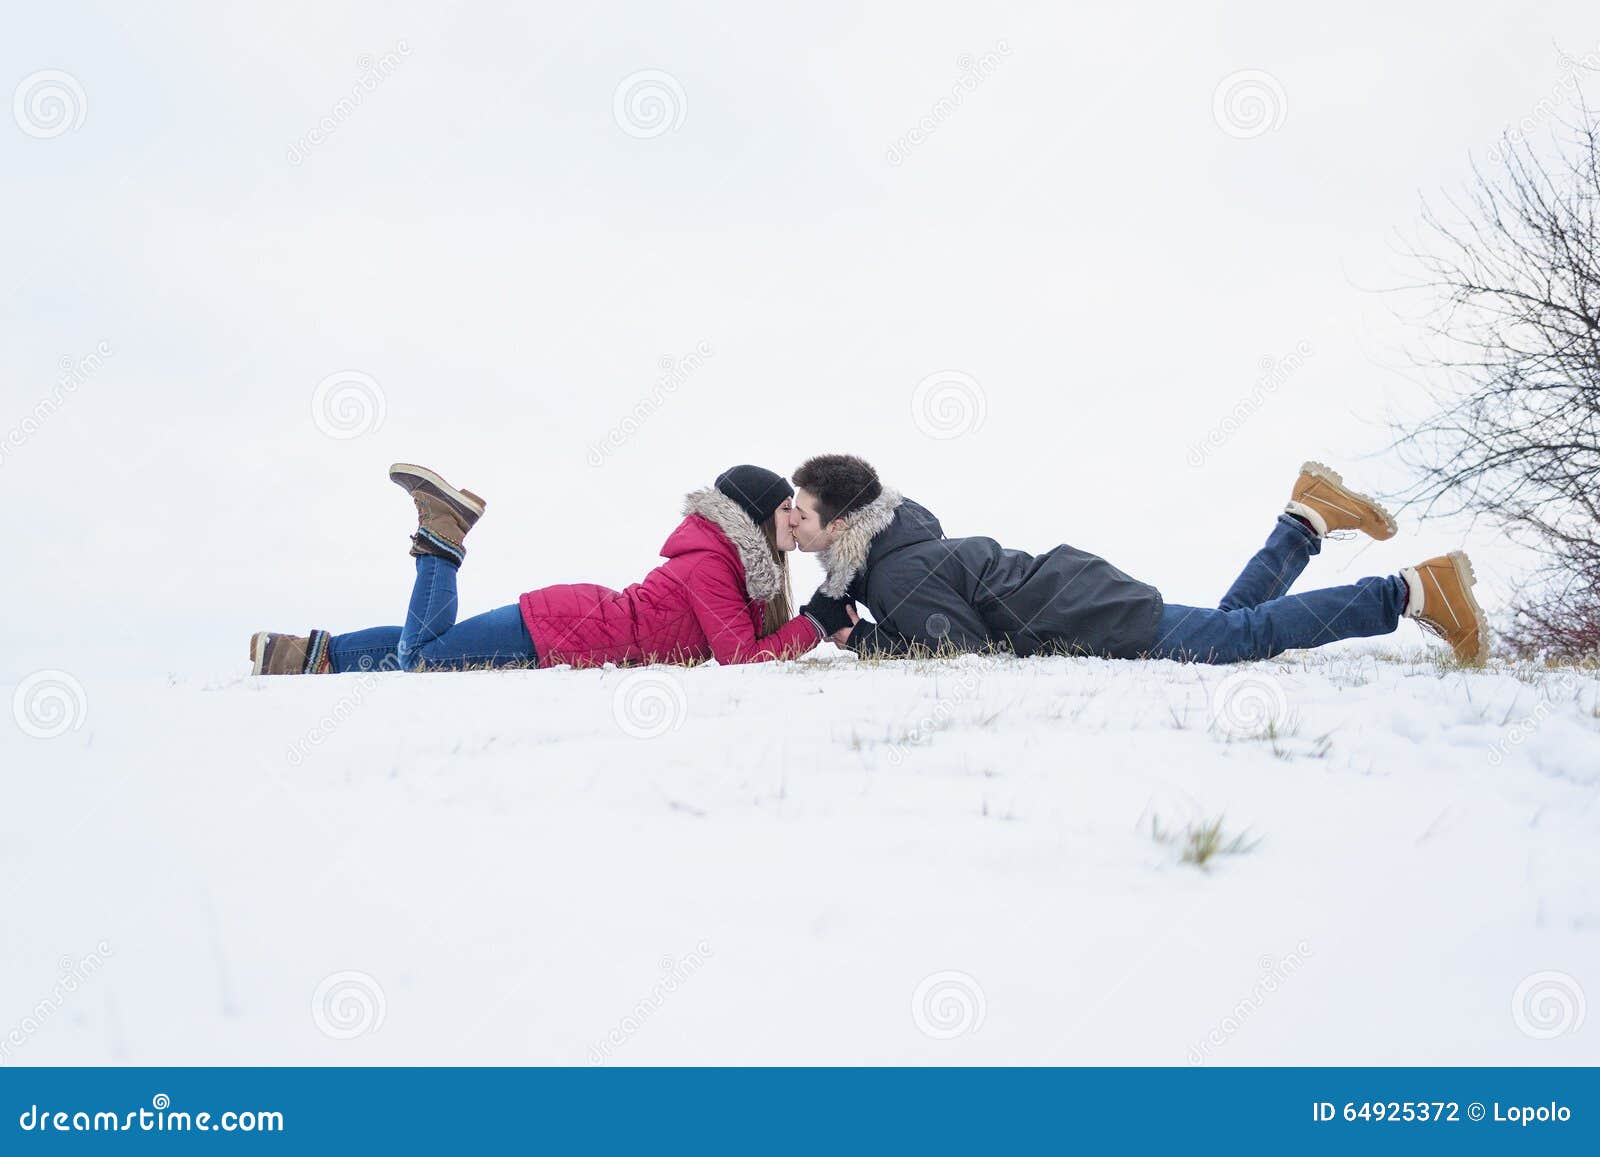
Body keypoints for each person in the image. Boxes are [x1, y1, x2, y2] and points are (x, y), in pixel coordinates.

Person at [788, 454, 1489, 664]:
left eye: (803, 511)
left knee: (1242, 639)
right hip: (1076, 590)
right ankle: (1306, 520)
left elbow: (965, 653)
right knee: (1227, 626)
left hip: (1088, 613)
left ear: (843, 522)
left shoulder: (897, 573)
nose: (794, 520)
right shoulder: (897, 543)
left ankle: (1411, 592)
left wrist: (861, 638)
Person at [250, 463, 841, 675]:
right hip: (566, 632)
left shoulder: (724, 563)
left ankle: (309, 655)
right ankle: (442, 538)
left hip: (572, 621)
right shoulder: (713, 563)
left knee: (433, 644)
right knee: (422, 658)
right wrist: (815, 624)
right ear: (752, 517)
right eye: (787, 508)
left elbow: (742, 645)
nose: (794, 519)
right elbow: (739, 657)